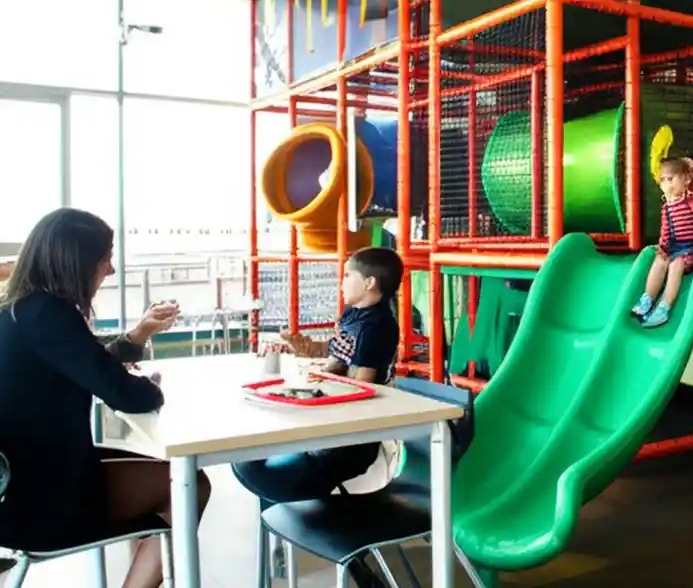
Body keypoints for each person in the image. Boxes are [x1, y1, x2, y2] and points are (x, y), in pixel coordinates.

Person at [0, 208, 211, 588]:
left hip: (16, 481)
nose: (110, 271)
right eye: (105, 259)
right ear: (76, 263)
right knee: (190, 484)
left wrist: (138, 335)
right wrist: (152, 385)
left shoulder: (18, 310)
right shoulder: (50, 315)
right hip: (37, 502)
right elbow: (129, 396)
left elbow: (82, 362)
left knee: (162, 474)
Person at [231, 247, 403, 588]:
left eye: (347, 277)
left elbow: (360, 387)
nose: (341, 284)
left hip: (346, 443)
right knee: (253, 461)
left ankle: (299, 536)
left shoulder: (378, 326)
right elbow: (337, 360)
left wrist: (321, 382)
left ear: (369, 282)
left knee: (254, 466)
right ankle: (289, 535)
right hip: (329, 431)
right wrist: (310, 352)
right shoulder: (352, 315)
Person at [630, 157, 693, 329]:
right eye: (663, 180)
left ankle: (664, 307)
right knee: (660, 261)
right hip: (677, 247)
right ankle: (648, 298)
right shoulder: (667, 205)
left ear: (686, 179)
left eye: (671, 179)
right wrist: (662, 246)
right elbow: (666, 229)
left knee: (676, 263)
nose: (666, 184)